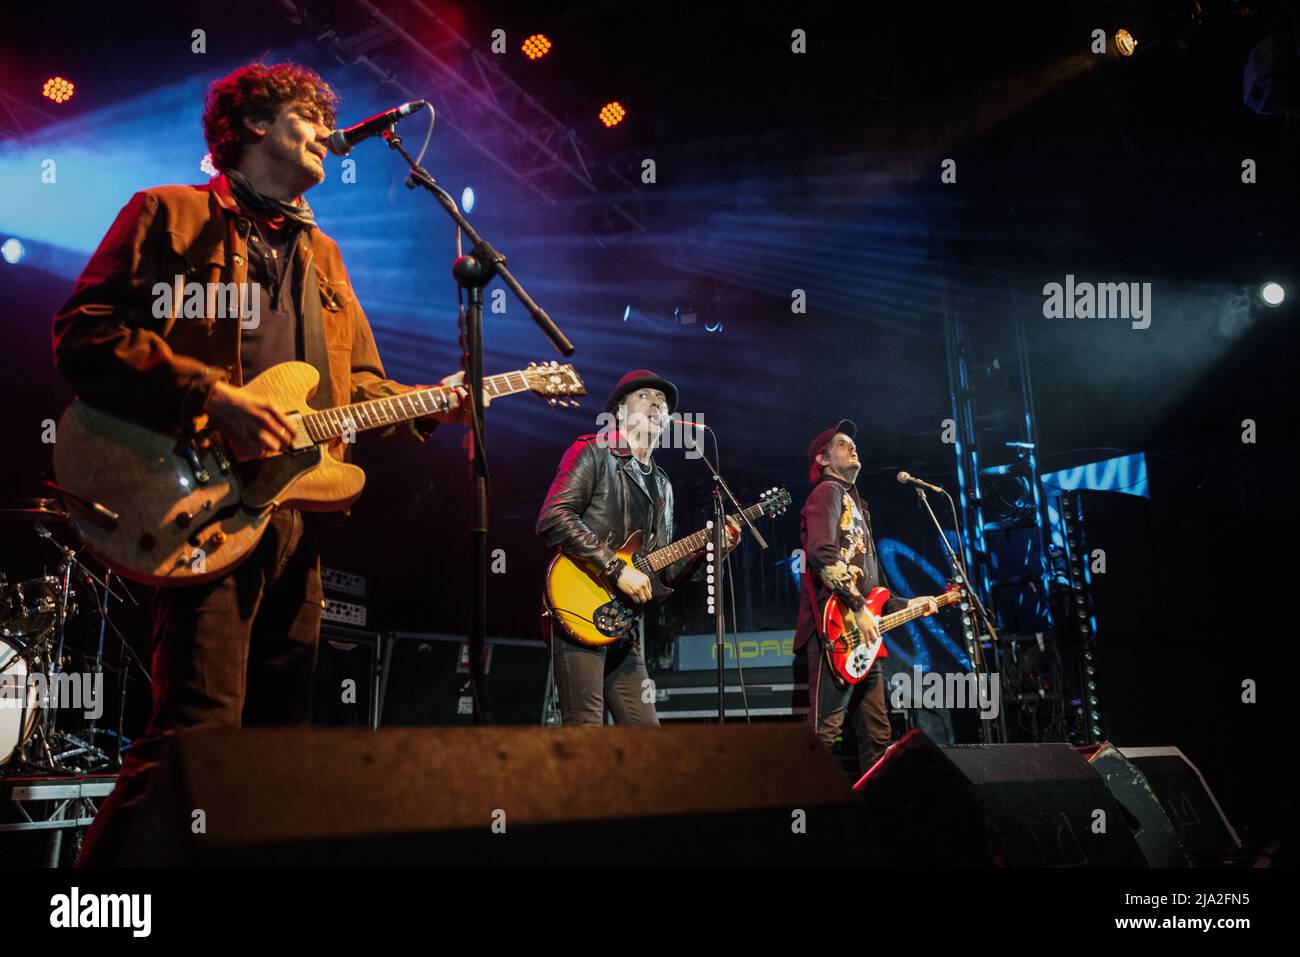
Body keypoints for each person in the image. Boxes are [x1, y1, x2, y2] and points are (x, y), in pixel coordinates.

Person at [52, 61, 473, 865]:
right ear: (252, 125)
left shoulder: (327, 257)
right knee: (197, 734)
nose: (323, 133)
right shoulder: (167, 214)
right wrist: (211, 398)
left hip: (290, 518)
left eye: (324, 120)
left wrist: (434, 402)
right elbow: (83, 332)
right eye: (306, 117)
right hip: (195, 502)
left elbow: (362, 387)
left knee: (279, 747)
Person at [536, 370, 734, 725]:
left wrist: (707, 552)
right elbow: (553, 517)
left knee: (645, 738)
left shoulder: (663, 485)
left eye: (663, 401)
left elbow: (661, 573)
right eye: (645, 396)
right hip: (577, 606)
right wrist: (615, 568)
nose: (657, 403)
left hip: (622, 625)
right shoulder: (594, 451)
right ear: (619, 411)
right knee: (585, 731)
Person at [795, 420, 939, 773]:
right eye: (842, 443)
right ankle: (810, 817)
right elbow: (822, 556)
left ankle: (873, 815)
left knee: (877, 734)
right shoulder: (826, 494)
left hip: (863, 638)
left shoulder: (859, 507)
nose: (852, 447)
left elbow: (877, 589)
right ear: (823, 458)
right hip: (834, 633)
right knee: (824, 734)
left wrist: (910, 604)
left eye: (852, 444)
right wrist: (858, 608)